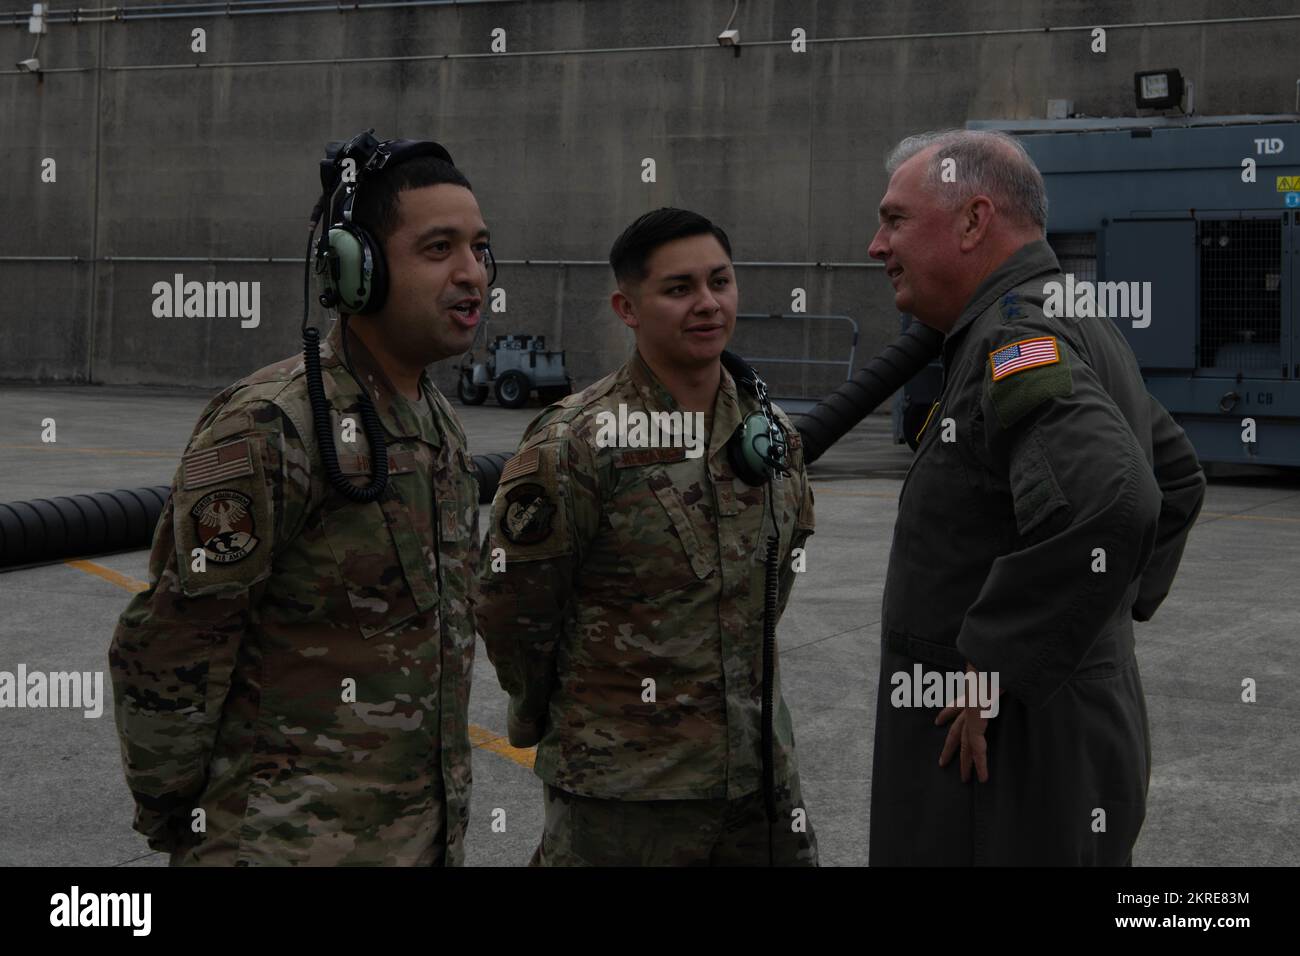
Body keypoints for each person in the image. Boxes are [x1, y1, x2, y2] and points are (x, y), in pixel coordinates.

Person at [108, 134, 488, 865]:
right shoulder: (271, 423)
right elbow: (170, 645)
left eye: (479, 248)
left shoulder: (437, 424)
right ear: (356, 270)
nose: (472, 274)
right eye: (439, 248)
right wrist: (176, 819)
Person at [865, 129, 1206, 865]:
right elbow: (1175, 475)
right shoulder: (1069, 314)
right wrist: (1095, 621)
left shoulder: (1018, 337)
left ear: (972, 219)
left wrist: (999, 663)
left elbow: (1116, 500)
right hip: (1065, 726)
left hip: (1001, 755)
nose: (875, 245)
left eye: (894, 220)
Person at [476, 208, 818, 866]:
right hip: (625, 793)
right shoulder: (576, 442)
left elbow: (775, 581)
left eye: (720, 282)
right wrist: (547, 713)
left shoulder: (771, 432)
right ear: (626, 307)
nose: (708, 304)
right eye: (679, 288)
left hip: (760, 781)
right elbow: (513, 609)